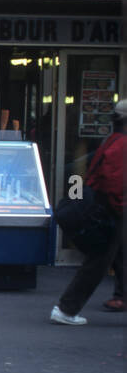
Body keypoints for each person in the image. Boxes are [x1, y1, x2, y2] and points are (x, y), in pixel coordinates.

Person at [51, 99, 127, 324]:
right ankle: (67, 309)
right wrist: (121, 208)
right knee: (99, 262)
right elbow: (115, 183)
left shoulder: (113, 139)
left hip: (107, 207)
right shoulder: (122, 145)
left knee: (118, 255)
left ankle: (120, 296)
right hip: (112, 210)